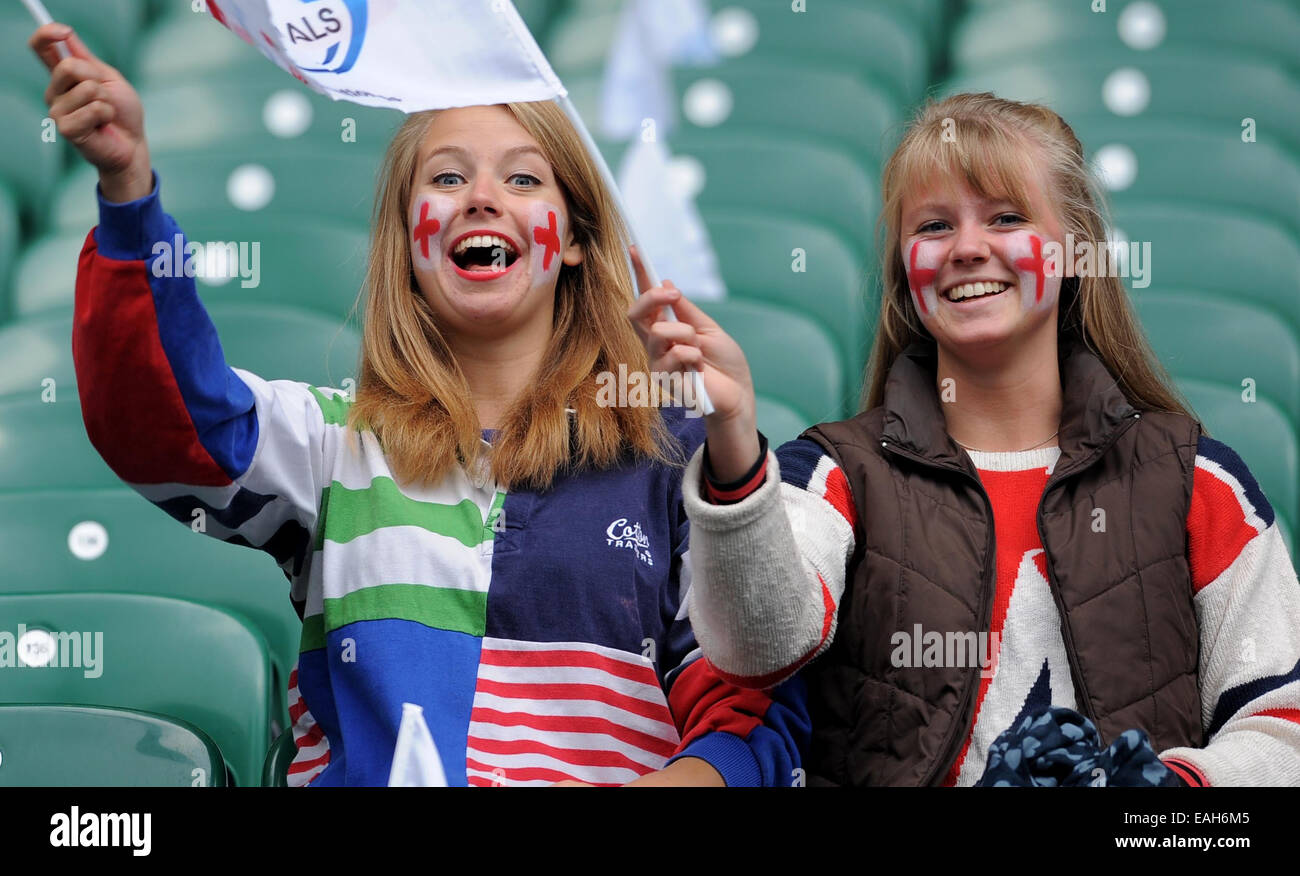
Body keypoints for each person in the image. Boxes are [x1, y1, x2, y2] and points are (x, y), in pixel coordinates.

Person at [30, 21, 808, 787]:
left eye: (524, 179)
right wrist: (128, 192)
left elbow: (750, 718)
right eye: (446, 178)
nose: (481, 199)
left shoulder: (674, 460)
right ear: (408, 237)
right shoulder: (333, 445)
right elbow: (163, 424)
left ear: (574, 237)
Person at [629, 92, 1300, 786]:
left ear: (1075, 249)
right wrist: (734, 438)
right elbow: (756, 647)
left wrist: (1158, 792)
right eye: (934, 226)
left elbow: (1286, 731)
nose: (968, 248)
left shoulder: (1198, 481)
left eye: (1006, 217)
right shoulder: (834, 474)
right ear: (904, 268)